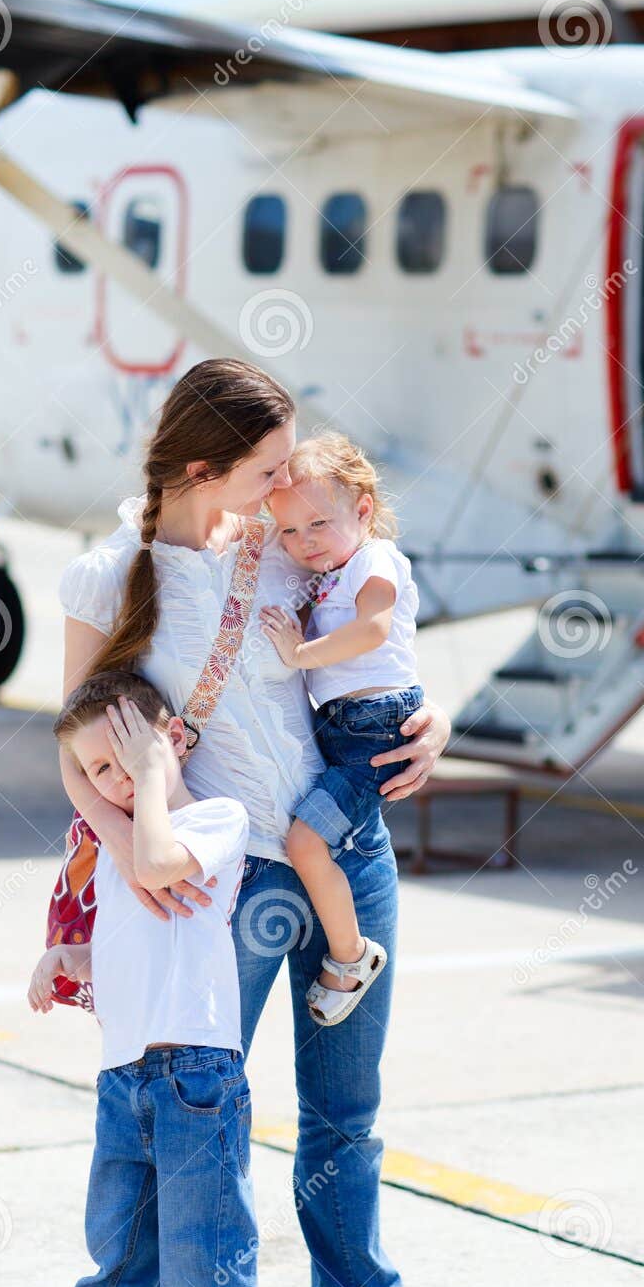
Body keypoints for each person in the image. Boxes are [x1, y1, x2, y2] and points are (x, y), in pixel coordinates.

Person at [58, 358, 448, 1287]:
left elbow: (371, 650)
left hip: (346, 848)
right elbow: (75, 741)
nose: (285, 489)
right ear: (206, 466)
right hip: (227, 884)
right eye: (268, 468)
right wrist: (130, 853)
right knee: (190, 1124)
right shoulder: (111, 575)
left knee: (345, 1118)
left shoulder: (285, 551)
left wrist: (430, 723)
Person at [0, 672, 254, 1287]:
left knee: (201, 1253)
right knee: (120, 1249)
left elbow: (163, 865)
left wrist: (146, 778)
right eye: (97, 770)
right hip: (125, 1073)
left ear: (171, 742)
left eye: (129, 755)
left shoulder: (213, 817)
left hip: (194, 1072)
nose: (115, 780)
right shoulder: (117, 843)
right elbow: (138, 930)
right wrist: (73, 953)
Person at [260, 432, 422, 1029]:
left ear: (363, 510)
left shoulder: (376, 560)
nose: (304, 543)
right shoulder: (331, 571)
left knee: (304, 843)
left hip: (372, 727)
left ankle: (351, 955)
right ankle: (347, 943)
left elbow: (373, 631)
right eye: (290, 531)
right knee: (311, 840)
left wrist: (299, 653)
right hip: (347, 727)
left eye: (318, 525)